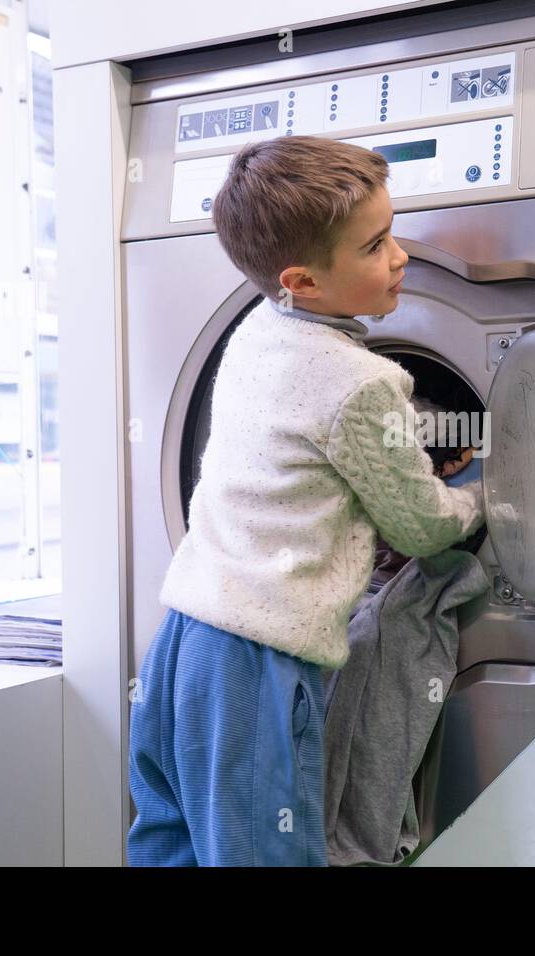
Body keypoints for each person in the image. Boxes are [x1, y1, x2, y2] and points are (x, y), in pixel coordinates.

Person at [126, 135, 484, 866]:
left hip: (182, 647)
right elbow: (417, 526)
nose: (401, 257)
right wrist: (485, 503)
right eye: (375, 245)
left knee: (174, 847)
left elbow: (304, 434)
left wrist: (409, 441)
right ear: (304, 281)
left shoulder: (257, 330)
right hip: (258, 664)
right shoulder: (364, 382)